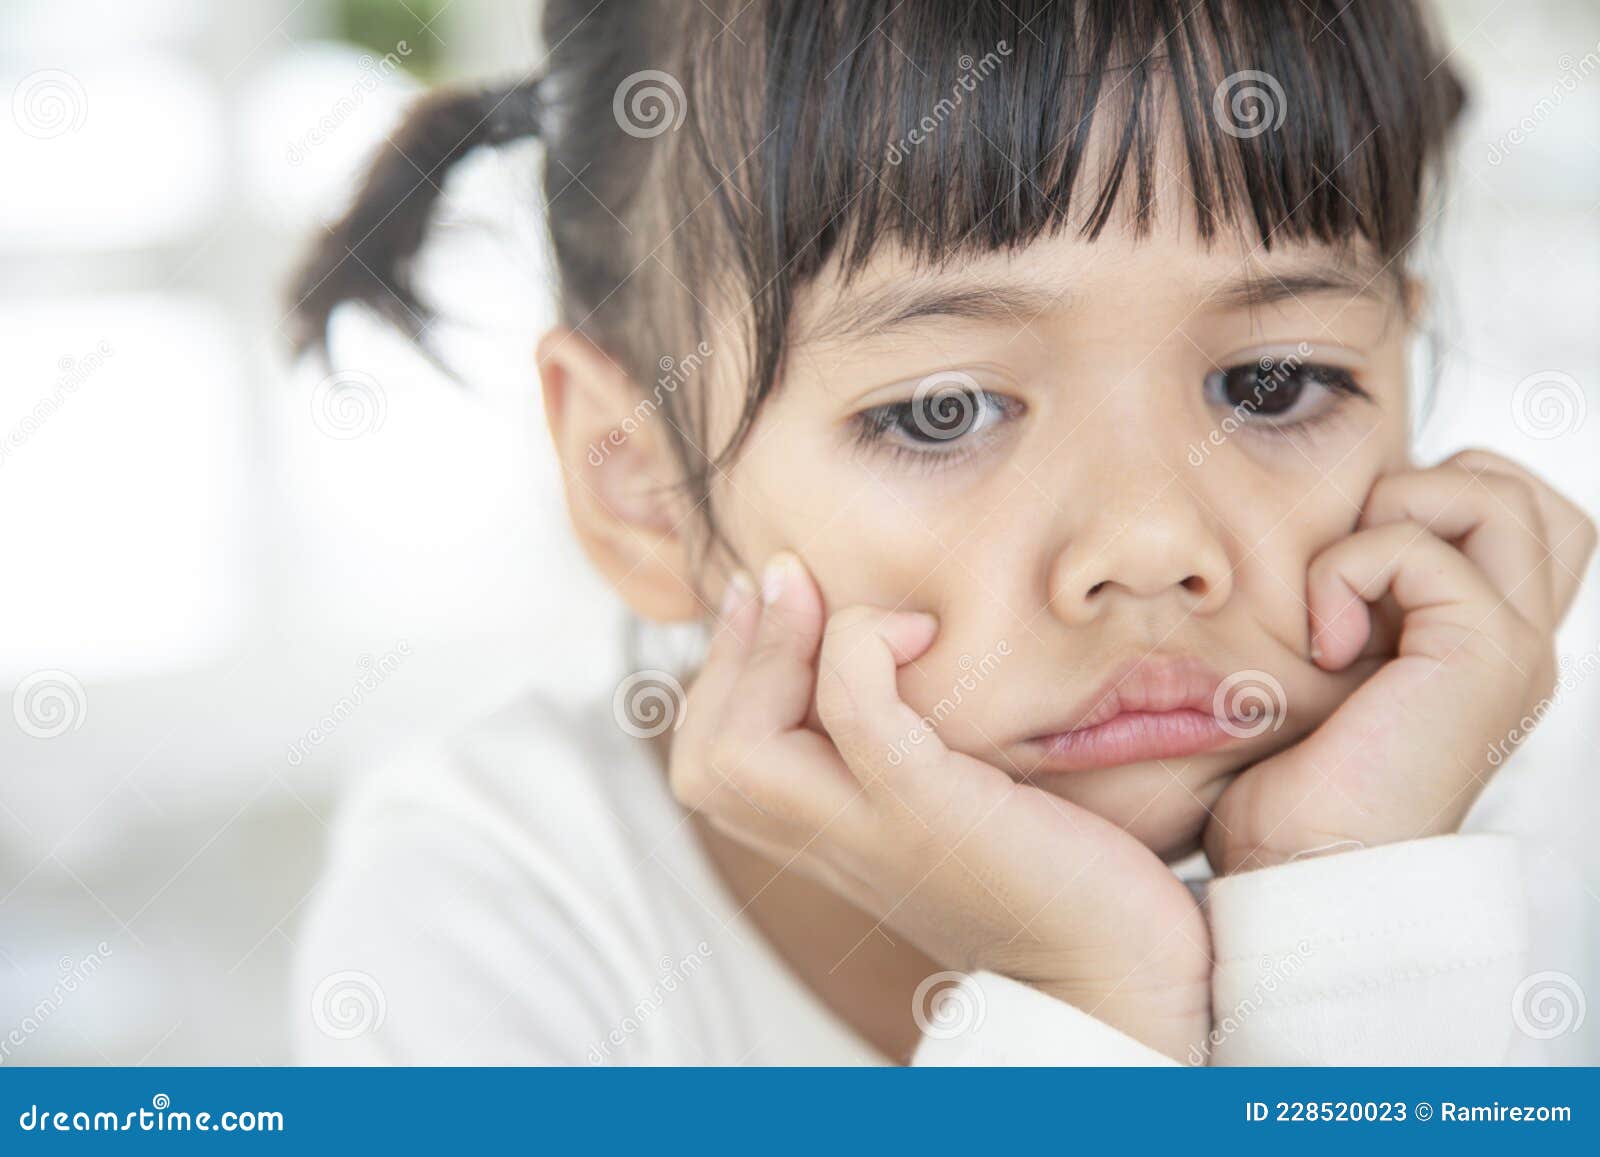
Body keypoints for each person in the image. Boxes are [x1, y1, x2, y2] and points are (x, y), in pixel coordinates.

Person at [288, 0, 1596, 1065]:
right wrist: (1087, 995)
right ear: (642, 484)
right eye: (942, 410)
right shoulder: (498, 918)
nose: (1152, 545)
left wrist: (1353, 908)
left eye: (1273, 382)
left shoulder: (1491, 844)